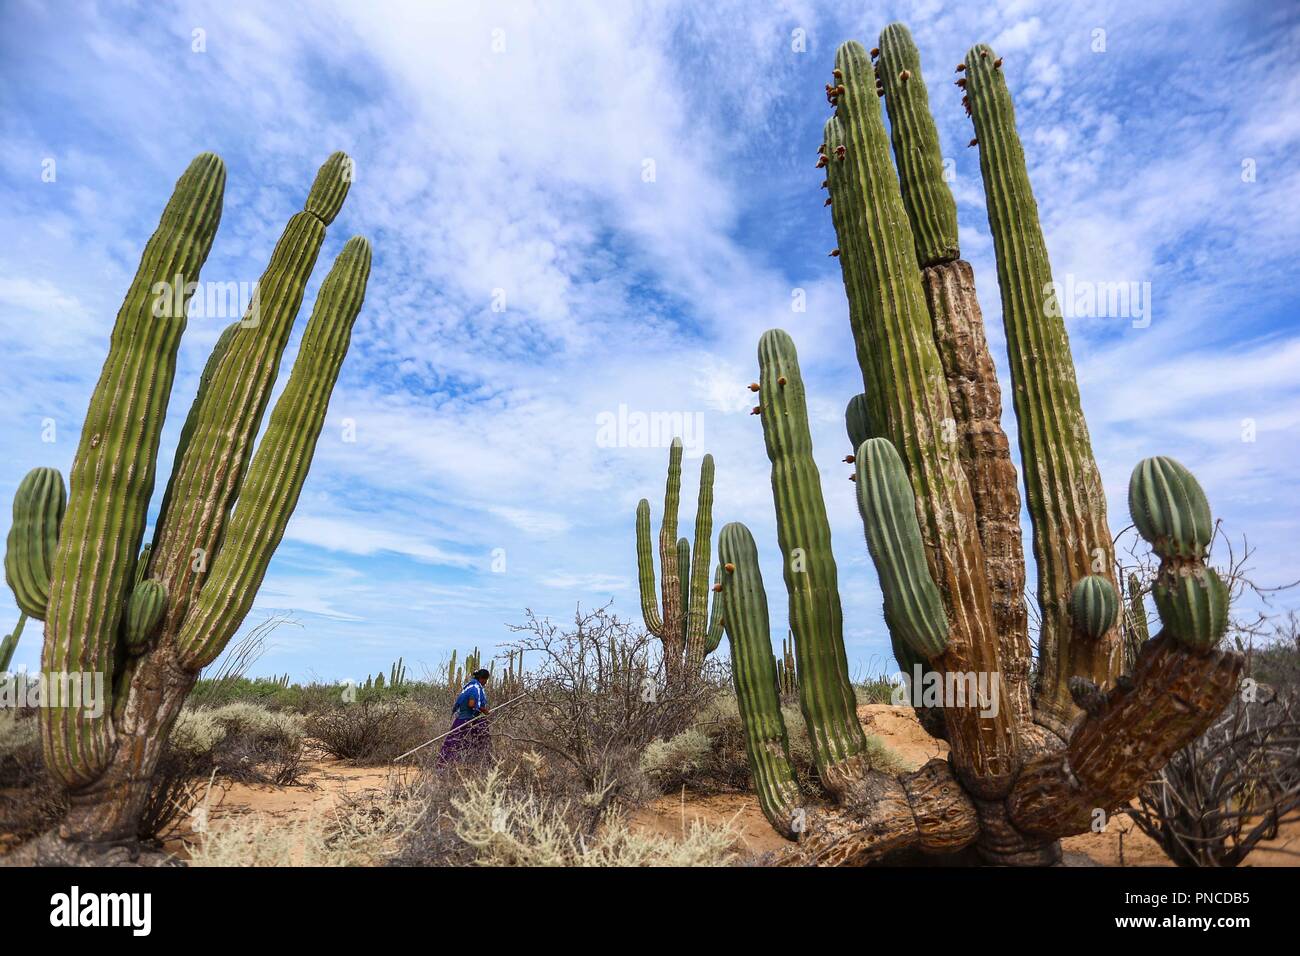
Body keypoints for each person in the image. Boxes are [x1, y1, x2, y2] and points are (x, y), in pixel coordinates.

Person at [437, 668, 492, 766]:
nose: (486, 683)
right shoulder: (475, 688)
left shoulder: (470, 686)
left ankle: (449, 765)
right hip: (468, 719)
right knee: (478, 742)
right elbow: (471, 704)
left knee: (453, 742)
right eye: (486, 680)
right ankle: (481, 765)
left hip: (462, 719)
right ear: (482, 679)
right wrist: (484, 710)